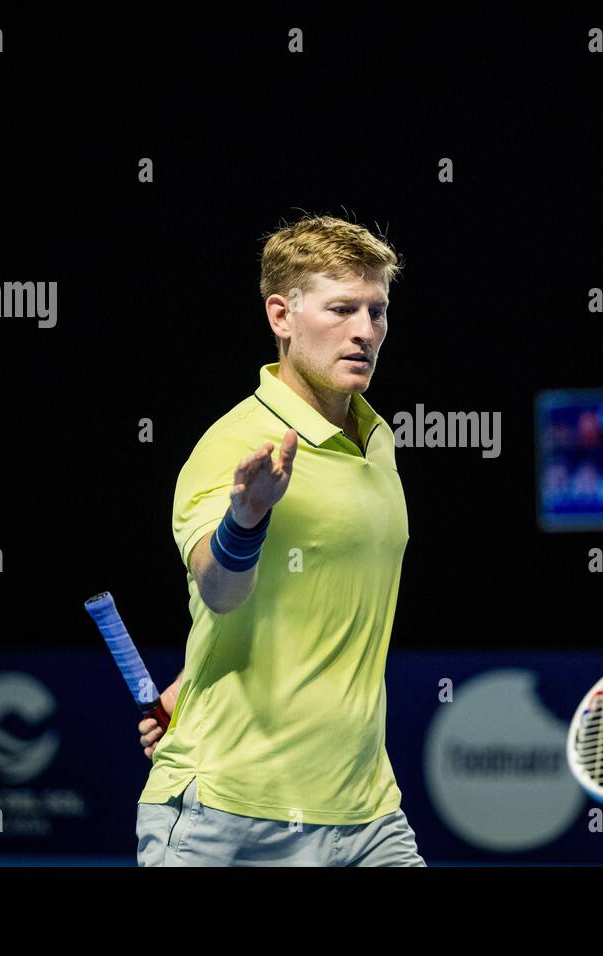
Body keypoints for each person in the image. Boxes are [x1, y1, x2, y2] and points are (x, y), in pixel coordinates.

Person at [134, 214, 424, 866]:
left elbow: (301, 600)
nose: (365, 331)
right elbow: (220, 588)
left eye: (377, 311)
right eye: (342, 309)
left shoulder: (376, 440)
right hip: (230, 815)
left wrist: (197, 677)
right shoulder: (236, 445)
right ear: (281, 315)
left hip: (367, 811)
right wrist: (246, 521)